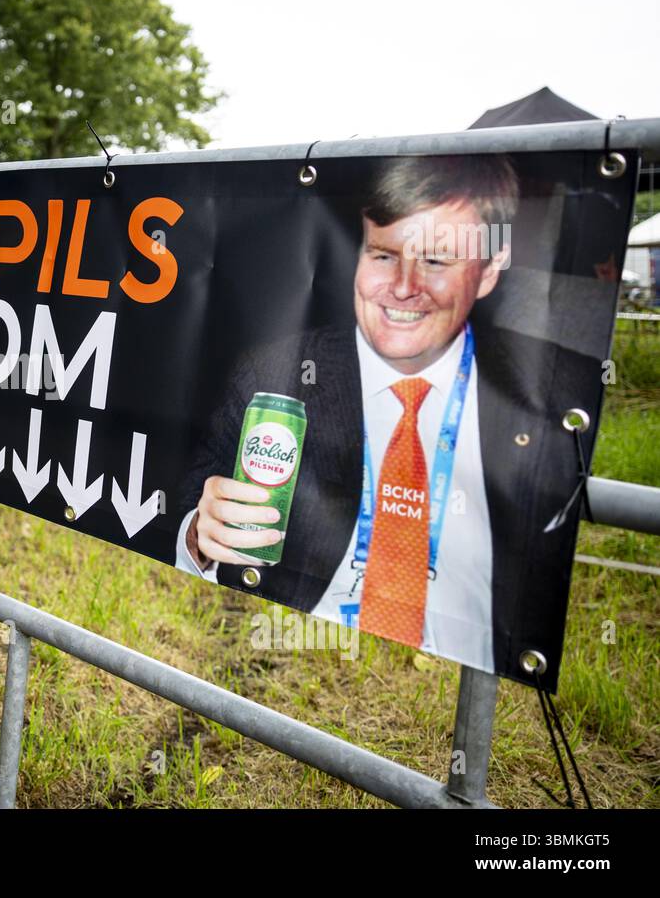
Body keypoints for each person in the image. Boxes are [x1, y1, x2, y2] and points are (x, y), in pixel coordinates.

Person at [175, 155, 599, 683]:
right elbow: (191, 505)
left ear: (490, 268)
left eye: (438, 261)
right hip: (299, 667)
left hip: (474, 685)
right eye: (383, 254)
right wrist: (198, 532)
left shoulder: (566, 391)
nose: (402, 286)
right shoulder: (272, 371)